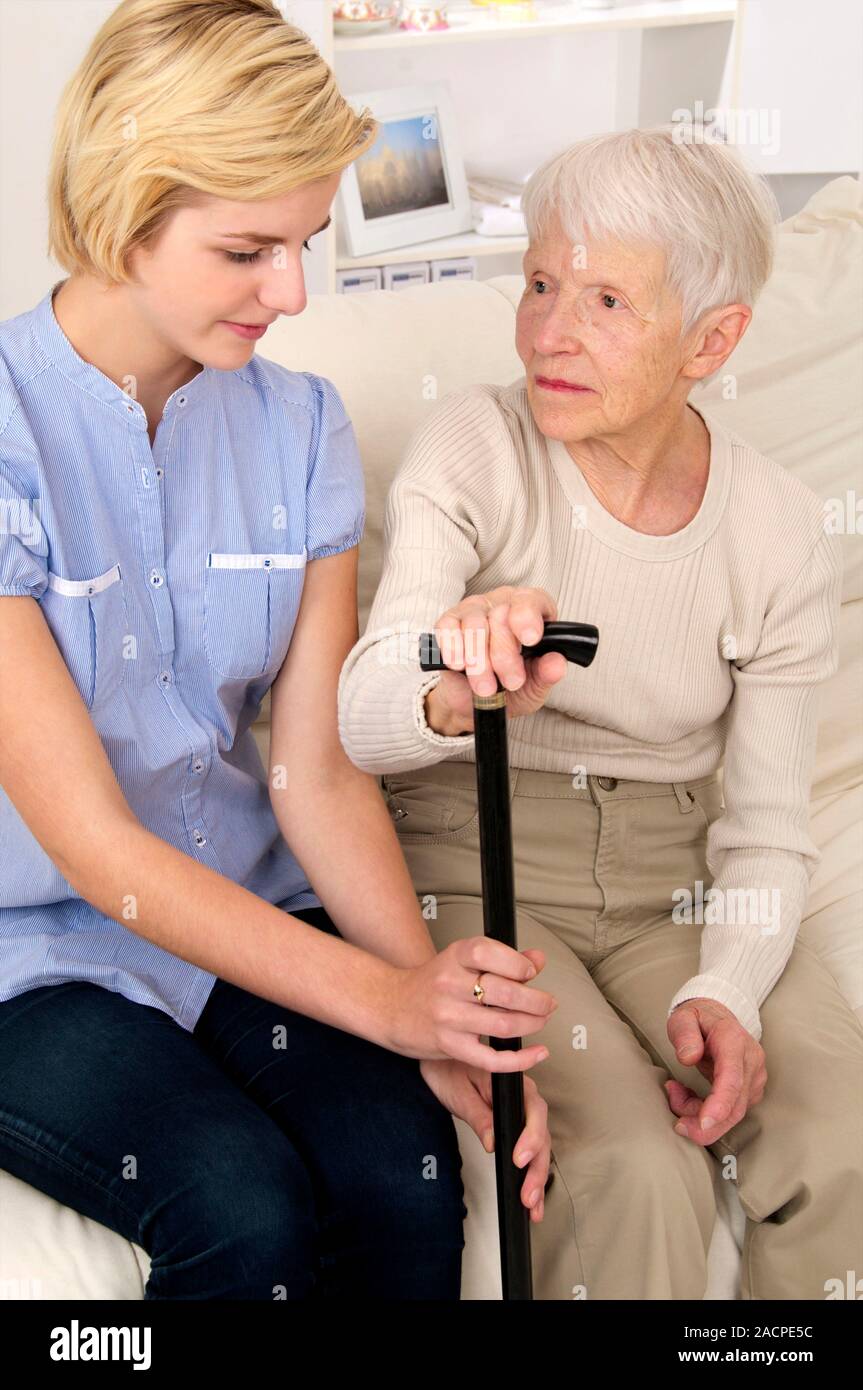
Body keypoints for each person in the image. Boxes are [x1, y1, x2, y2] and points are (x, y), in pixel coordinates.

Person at [0, 0, 553, 1301]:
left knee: (400, 1178)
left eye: (304, 242)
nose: (293, 293)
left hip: (244, 908)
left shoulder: (298, 426)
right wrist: (382, 1005)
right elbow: (90, 844)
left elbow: (312, 773)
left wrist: (433, 1009)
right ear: (119, 206)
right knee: (238, 1209)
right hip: (34, 948)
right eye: (248, 249)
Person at [338, 124, 863, 1300]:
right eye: (537, 284)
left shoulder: (778, 531)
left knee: (839, 1139)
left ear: (709, 341)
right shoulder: (474, 445)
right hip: (476, 856)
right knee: (630, 1164)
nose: (548, 332)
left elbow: (768, 823)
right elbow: (363, 718)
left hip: (674, 867)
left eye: (607, 300)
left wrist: (723, 985)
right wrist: (447, 677)